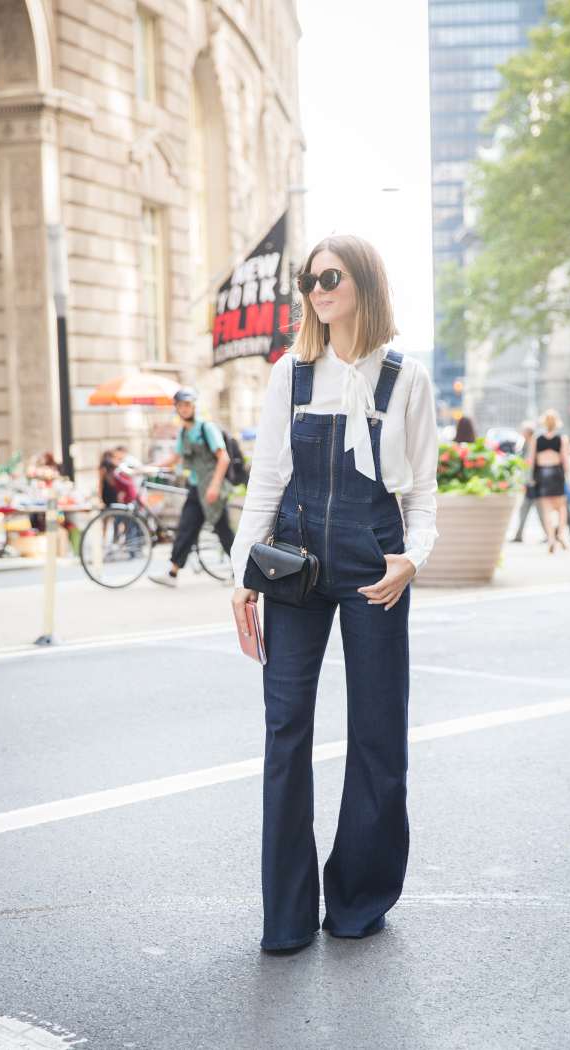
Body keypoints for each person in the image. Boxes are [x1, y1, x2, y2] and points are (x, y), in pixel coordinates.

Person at [230, 234, 438, 952]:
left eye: (329, 277)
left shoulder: (405, 378)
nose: (316, 291)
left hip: (375, 563)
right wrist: (240, 579)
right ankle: (285, 917)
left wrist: (413, 559)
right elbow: (265, 483)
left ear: (363, 286)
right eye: (308, 280)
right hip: (293, 566)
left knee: (379, 732)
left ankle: (358, 899)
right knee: (286, 729)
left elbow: (426, 495)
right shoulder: (290, 372)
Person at [149, 388, 234, 587]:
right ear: (176, 409)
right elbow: (174, 457)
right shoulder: (184, 432)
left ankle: (241, 572)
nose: (184, 409)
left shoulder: (207, 428)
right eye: (180, 405)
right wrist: (149, 467)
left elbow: (223, 458)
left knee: (224, 531)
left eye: (187, 405)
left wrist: (214, 487)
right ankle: (172, 573)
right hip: (196, 487)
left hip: (213, 487)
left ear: (194, 406)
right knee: (186, 529)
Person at [528, 409, 570, 552]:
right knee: (561, 507)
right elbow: (565, 460)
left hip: (542, 473)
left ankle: (551, 538)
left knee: (546, 510)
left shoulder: (536, 438)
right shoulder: (561, 438)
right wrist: (569, 478)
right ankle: (561, 535)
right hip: (556, 472)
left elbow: (531, 460)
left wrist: (531, 478)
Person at [511, 421, 544, 543]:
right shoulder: (525, 444)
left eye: (523, 431)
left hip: (534, 482)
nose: (522, 433)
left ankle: (549, 534)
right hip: (529, 482)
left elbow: (532, 464)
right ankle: (519, 535)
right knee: (525, 509)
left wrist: (531, 480)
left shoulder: (534, 444)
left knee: (539, 510)